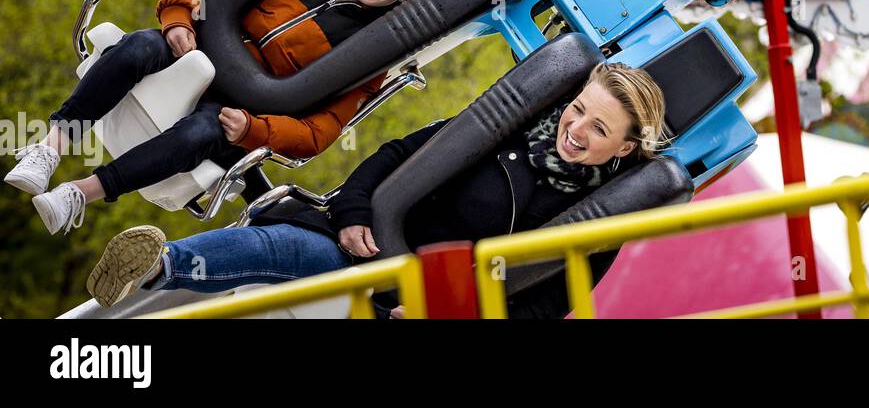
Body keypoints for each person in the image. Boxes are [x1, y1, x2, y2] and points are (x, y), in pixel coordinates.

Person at [85, 62, 669, 319]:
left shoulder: (601, 216)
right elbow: (396, 155)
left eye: (599, 130)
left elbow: (547, 306)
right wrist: (354, 211)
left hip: (431, 305)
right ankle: (155, 267)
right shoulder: (502, 131)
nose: (576, 130)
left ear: (622, 149)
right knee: (283, 246)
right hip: (374, 248)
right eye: (577, 110)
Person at [5, 0, 441, 235]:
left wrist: (256, 129)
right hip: (196, 51)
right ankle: (50, 148)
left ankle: (79, 194)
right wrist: (177, 15)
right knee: (138, 45)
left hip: (238, 111)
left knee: (201, 133)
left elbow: (318, 132)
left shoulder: (370, 51)